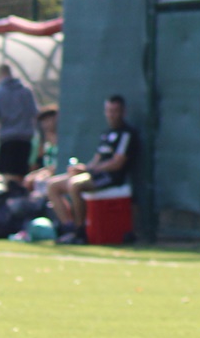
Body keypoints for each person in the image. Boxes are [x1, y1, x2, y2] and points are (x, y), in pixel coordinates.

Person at [46, 95, 137, 241]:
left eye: (115, 111)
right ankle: (67, 227)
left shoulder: (126, 134)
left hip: (111, 178)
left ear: (122, 112)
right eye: (109, 111)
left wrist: (91, 170)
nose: (111, 115)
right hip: (95, 174)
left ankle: (80, 230)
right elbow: (97, 159)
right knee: (52, 185)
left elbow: (117, 163)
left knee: (75, 185)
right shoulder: (106, 134)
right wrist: (83, 168)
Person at [0, 63, 39, 184]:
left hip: (7, 140)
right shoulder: (26, 91)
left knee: (7, 176)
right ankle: (20, 199)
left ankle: (11, 199)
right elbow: (36, 115)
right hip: (25, 139)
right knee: (22, 174)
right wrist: (42, 140)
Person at [25, 106, 59, 190]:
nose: (46, 124)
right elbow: (34, 165)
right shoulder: (41, 142)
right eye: (43, 121)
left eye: (49, 119)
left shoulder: (64, 139)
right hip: (45, 172)